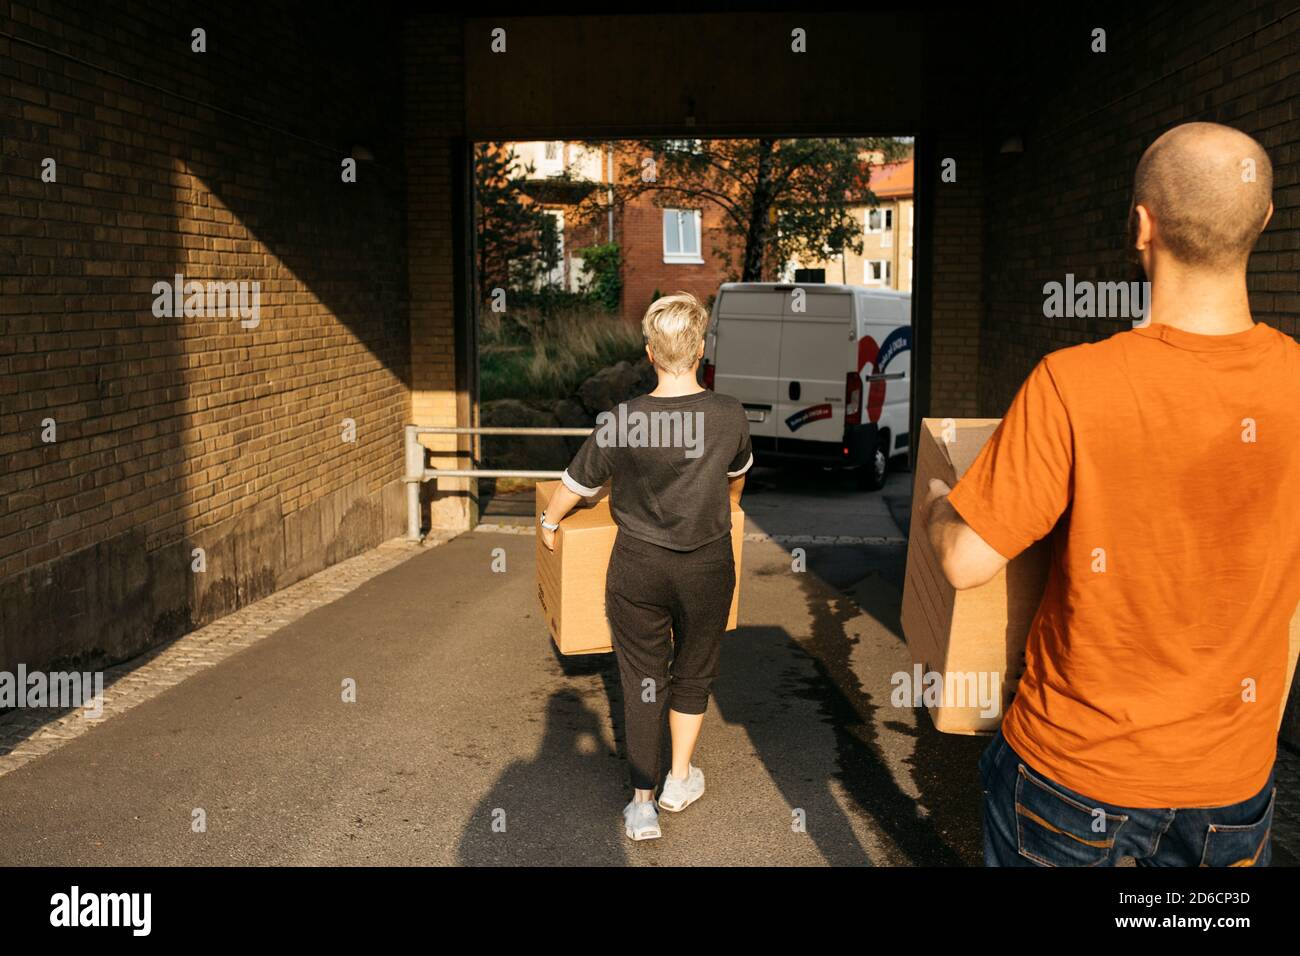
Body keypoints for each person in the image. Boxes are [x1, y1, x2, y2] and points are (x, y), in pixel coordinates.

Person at [923, 121, 1297, 866]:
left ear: (1141, 225)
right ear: (1262, 222)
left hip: (1073, 774)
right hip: (1232, 783)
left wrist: (939, 502)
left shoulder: (1073, 383)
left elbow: (966, 562)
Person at [539, 292, 752, 842]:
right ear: (700, 350)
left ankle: (642, 804)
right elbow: (737, 480)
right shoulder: (729, 414)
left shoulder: (625, 420)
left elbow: (574, 486)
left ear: (650, 353)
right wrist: (722, 508)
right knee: (695, 669)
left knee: (642, 679)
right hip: (708, 564)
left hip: (638, 567)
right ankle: (680, 779)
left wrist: (548, 524)